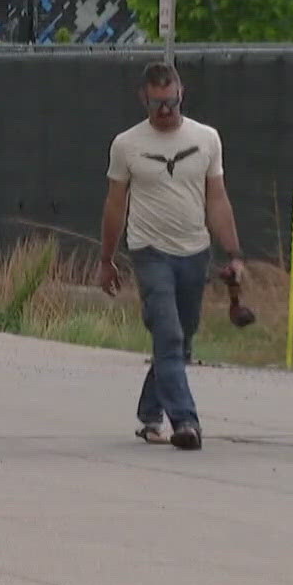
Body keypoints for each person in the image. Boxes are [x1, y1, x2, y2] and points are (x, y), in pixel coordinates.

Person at [95, 62, 247, 451]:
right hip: (149, 250)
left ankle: (149, 415)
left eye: (171, 102)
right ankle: (186, 421)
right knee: (169, 333)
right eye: (157, 103)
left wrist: (234, 254)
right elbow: (115, 204)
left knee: (181, 341)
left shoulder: (207, 138)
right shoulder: (126, 144)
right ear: (143, 98)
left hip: (194, 250)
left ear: (182, 94)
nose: (165, 111)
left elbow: (218, 198)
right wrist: (106, 259)